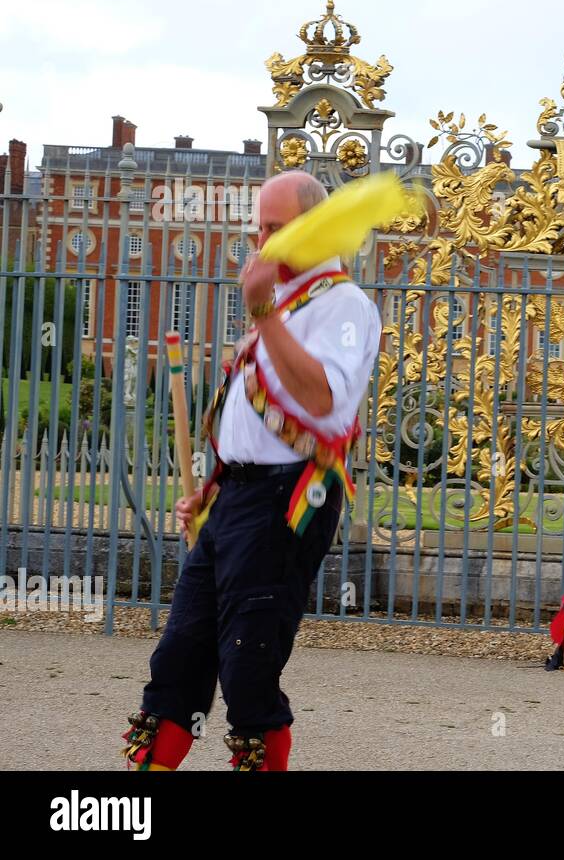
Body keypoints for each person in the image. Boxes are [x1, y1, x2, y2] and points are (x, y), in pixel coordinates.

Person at [121, 171, 380, 771]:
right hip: (236, 500)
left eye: (276, 228)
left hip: (289, 500)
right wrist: (210, 493)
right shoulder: (291, 305)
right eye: (259, 227)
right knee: (180, 655)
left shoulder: (345, 306)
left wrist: (263, 316)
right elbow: (259, 424)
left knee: (247, 663)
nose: (261, 242)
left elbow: (319, 401)